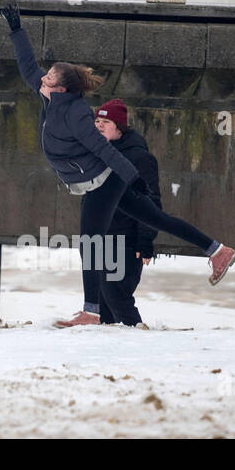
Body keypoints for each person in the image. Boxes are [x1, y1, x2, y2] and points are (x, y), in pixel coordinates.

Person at [1, 4, 235, 327]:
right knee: (156, 218)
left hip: (103, 181)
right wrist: (16, 29)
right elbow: (27, 66)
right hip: (99, 180)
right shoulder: (48, 97)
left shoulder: (76, 113)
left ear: (62, 88)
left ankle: (91, 311)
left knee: (89, 241)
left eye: (50, 77)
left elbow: (101, 147)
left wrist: (133, 178)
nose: (43, 78)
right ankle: (217, 250)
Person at [94, 99, 161, 328]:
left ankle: (139, 342)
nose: (99, 126)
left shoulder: (139, 158)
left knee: (117, 298)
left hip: (125, 242)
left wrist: (145, 241)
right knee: (102, 306)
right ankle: (112, 355)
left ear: (120, 126)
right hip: (101, 239)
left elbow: (151, 201)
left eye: (106, 121)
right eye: (97, 121)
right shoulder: (100, 155)